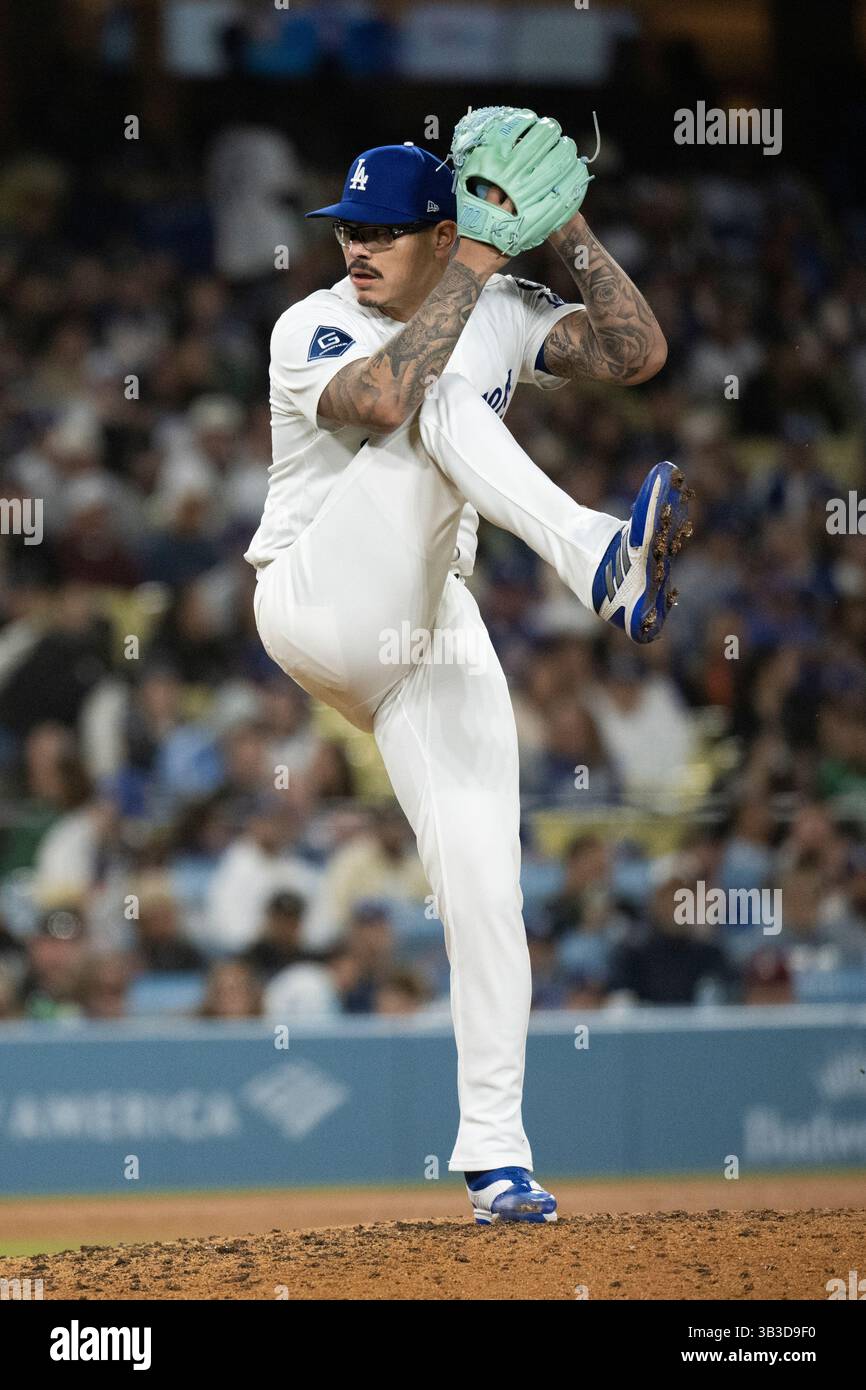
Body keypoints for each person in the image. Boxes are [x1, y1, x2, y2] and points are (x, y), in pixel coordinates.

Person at [247, 125, 691, 1224]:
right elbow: (387, 399)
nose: (354, 245)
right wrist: (481, 263)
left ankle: (494, 1158)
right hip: (315, 600)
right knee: (433, 393)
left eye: (382, 231)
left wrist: (562, 222)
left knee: (487, 884)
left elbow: (634, 355)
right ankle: (596, 558)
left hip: (428, 629)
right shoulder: (310, 322)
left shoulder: (489, 300)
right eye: (345, 227)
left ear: (441, 231)